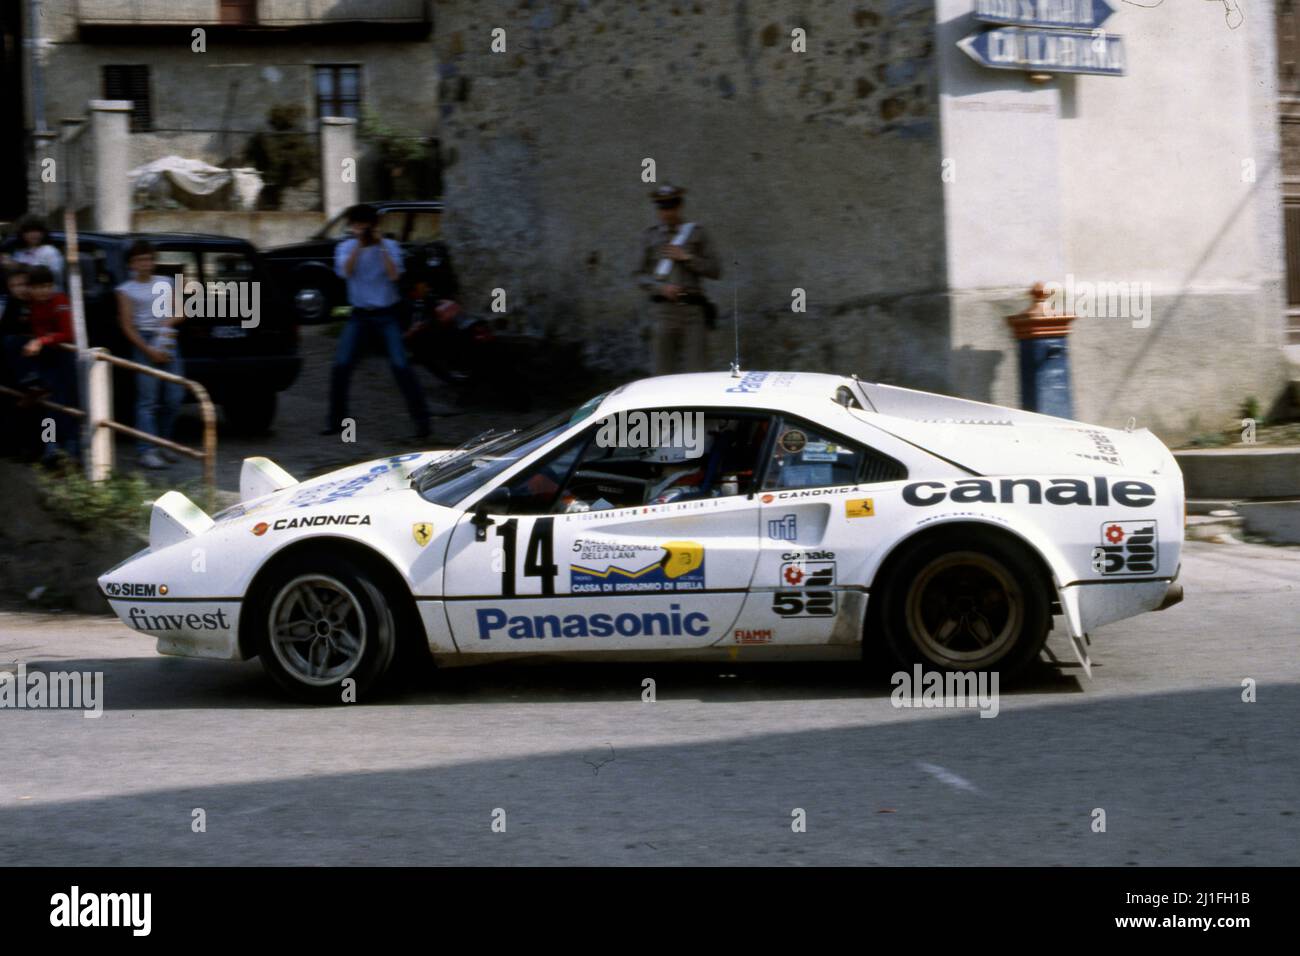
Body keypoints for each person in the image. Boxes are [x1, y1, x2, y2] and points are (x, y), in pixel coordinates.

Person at [323, 203, 430, 439]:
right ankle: (335, 421)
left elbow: (394, 275)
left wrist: (380, 246)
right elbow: (345, 272)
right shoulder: (345, 247)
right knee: (341, 365)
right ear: (351, 227)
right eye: (356, 225)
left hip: (386, 314)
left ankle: (422, 422)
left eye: (365, 225)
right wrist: (359, 247)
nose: (361, 229)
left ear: (374, 225)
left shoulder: (390, 246)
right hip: (359, 314)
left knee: (401, 366)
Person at [634, 184, 721, 374]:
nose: (667, 212)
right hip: (663, 312)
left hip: (693, 311)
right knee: (661, 373)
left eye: (671, 205)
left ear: (680, 206)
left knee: (698, 373)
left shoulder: (697, 232)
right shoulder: (649, 236)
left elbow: (716, 270)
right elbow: (638, 275)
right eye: (662, 207)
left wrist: (687, 257)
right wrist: (660, 288)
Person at [115, 240, 182, 470]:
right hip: (142, 340)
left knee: (174, 395)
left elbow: (180, 311)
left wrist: (166, 326)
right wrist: (147, 349)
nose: (146, 264)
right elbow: (127, 325)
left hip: (167, 338)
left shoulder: (165, 282)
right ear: (132, 263)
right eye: (140, 260)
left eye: (149, 259)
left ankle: (163, 441)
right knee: (148, 399)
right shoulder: (126, 290)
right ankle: (146, 450)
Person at [14, 265, 80, 463]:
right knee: (49, 406)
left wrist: (42, 341)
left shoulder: (59, 300)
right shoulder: (29, 304)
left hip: (62, 359)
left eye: (47, 286)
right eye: (38, 287)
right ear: (30, 289)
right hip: (43, 360)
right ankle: (50, 449)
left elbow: (68, 333)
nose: (43, 291)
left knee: (64, 405)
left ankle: (70, 450)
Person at [9, 215, 65, 290]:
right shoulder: (19, 253)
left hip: (49, 296)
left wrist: (20, 266)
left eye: (37, 231)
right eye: (29, 231)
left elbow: (54, 276)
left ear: (43, 233)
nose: (34, 234)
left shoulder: (50, 251)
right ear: (22, 234)